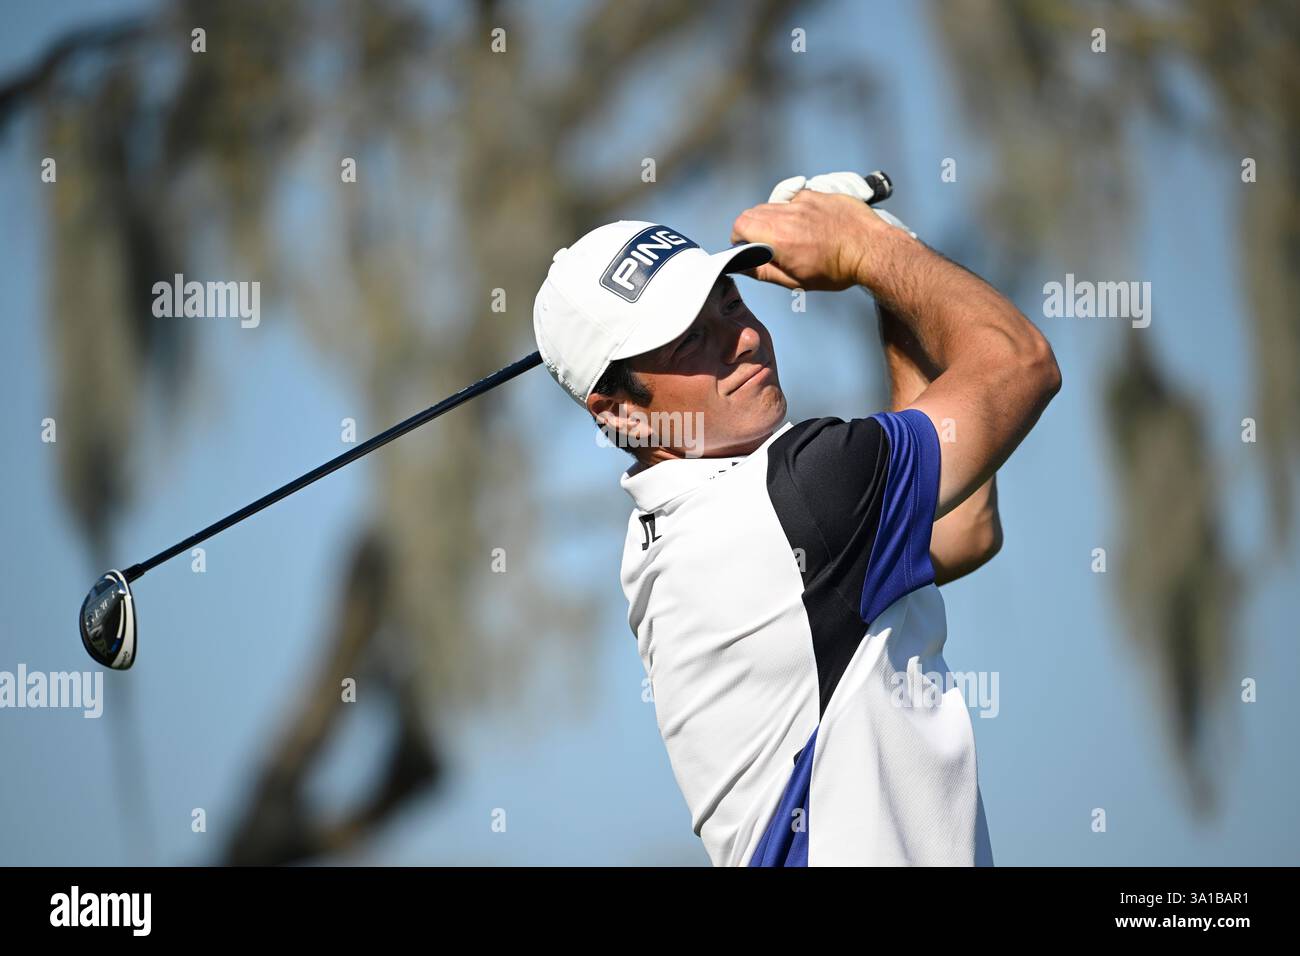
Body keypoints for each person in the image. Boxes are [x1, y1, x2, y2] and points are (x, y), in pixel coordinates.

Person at [531, 172, 1061, 866]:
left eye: (729, 301)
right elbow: (1022, 364)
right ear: (618, 410)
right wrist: (867, 248)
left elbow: (959, 531)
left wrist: (880, 254)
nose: (744, 337)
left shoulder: (670, 534)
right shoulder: (793, 498)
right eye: (690, 338)